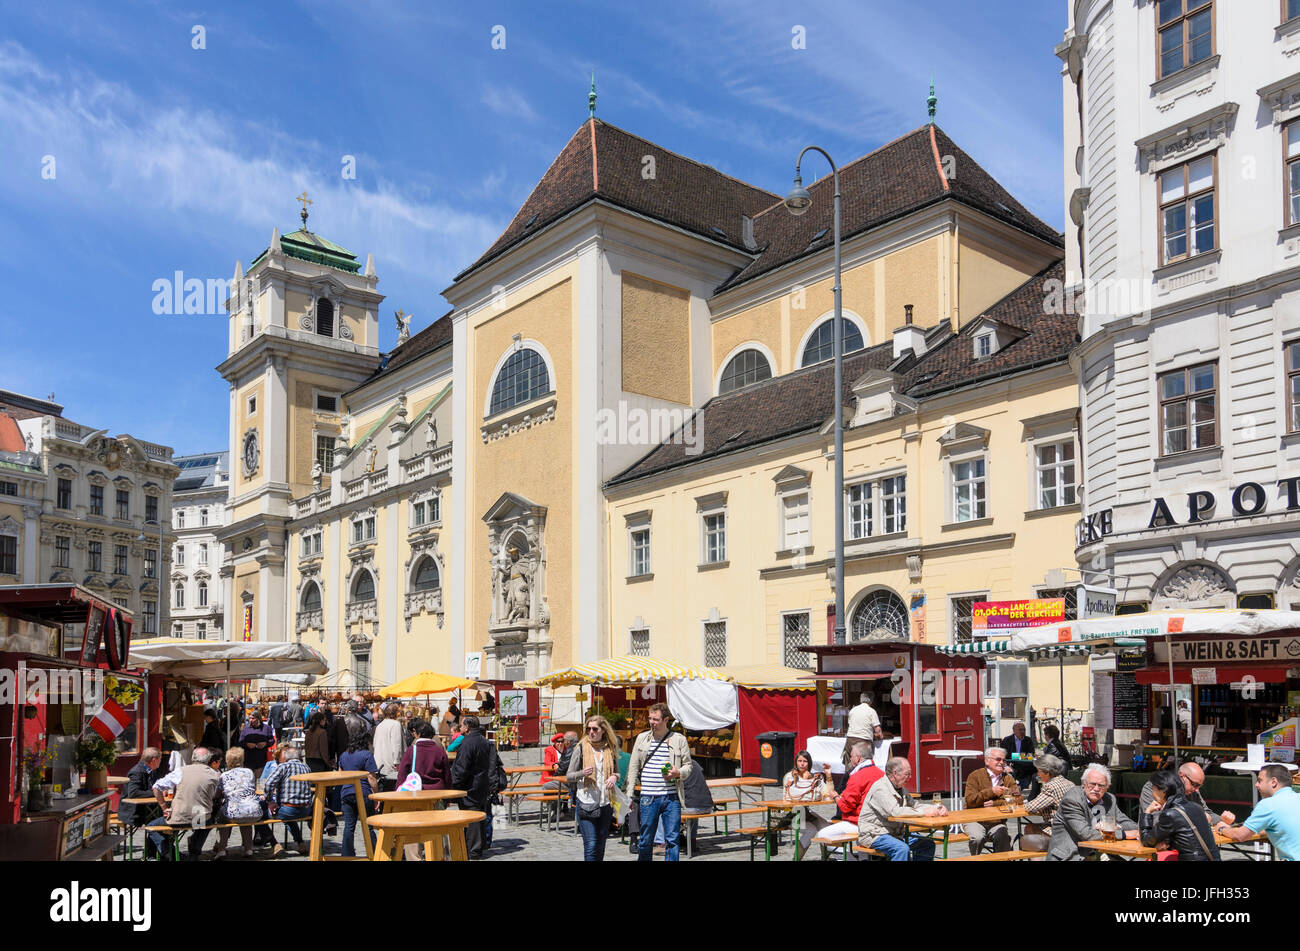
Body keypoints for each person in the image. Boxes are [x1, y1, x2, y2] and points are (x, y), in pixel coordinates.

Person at [625, 702, 695, 862]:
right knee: (646, 839)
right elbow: (633, 766)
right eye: (650, 718)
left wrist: (678, 773)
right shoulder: (642, 738)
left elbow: (688, 766)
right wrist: (629, 794)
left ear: (666, 720)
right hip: (648, 797)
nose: (651, 722)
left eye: (655, 719)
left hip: (672, 797)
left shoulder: (678, 739)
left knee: (672, 839)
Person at [1045, 763, 1138, 861]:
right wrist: (1123, 834)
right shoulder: (1072, 799)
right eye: (1092, 784)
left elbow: (1123, 821)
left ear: (1107, 787)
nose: (1096, 789)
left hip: (1099, 852)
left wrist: (1141, 832)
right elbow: (1086, 834)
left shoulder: (1109, 799)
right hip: (1072, 855)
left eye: (1101, 785)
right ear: (1083, 784)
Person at [858, 757, 945, 861]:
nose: (910, 777)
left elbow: (914, 805)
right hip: (874, 834)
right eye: (907, 774)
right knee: (901, 849)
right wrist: (924, 812)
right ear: (895, 773)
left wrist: (936, 808)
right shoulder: (880, 788)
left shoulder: (900, 788)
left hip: (895, 833)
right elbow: (894, 812)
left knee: (927, 844)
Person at [147, 747, 223, 860]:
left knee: (151, 827)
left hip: (179, 816)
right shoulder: (215, 775)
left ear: (193, 758)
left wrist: (164, 807)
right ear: (208, 760)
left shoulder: (180, 771)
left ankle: (170, 854)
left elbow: (156, 786)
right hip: (200, 817)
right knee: (206, 820)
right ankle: (194, 853)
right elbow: (218, 794)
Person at [1218, 763, 1300, 859]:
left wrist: (1222, 828)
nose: (1256, 785)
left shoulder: (1268, 804)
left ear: (1274, 782)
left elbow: (1241, 836)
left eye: (1260, 781)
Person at [568, 715, 621, 861]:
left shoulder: (609, 749)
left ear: (603, 730)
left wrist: (614, 777)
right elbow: (569, 776)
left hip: (605, 803)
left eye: (595, 729)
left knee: (601, 845)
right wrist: (581, 773)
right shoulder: (580, 748)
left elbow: (617, 773)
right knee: (591, 845)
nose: (591, 732)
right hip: (586, 802)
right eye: (588, 729)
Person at [1139, 769, 1220, 861]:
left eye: (1153, 789)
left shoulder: (1170, 814)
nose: (1153, 794)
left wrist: (1147, 813)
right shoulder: (1197, 808)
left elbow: (1146, 841)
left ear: (1163, 791)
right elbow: (1183, 837)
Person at [816, 741, 885, 847]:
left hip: (858, 823)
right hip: (879, 822)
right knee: (860, 845)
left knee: (822, 835)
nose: (851, 759)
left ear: (858, 758)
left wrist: (835, 796)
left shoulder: (857, 776)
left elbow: (846, 807)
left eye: (851, 756)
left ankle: (848, 857)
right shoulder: (882, 774)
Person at [1138, 761, 1233, 829]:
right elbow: (1155, 820)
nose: (1197, 789)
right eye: (1195, 784)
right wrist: (1197, 817)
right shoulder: (1154, 787)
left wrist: (1222, 819)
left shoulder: (1193, 790)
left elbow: (1206, 813)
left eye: (1200, 786)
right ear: (1182, 776)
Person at [450, 715, 494, 859]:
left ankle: (473, 850)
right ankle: (478, 846)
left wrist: (454, 784)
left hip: (470, 786)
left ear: (467, 727)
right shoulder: (483, 740)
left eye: (462, 725)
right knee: (479, 815)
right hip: (481, 784)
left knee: (472, 816)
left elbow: (462, 768)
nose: (460, 727)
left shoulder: (468, 742)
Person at [963, 746, 1018, 853]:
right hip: (975, 819)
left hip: (996, 821)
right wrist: (991, 791)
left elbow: (1018, 799)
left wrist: (995, 803)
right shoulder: (975, 776)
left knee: (1003, 836)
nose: (1001, 762)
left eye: (1003, 760)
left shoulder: (1007, 778)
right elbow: (970, 800)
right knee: (977, 838)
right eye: (998, 759)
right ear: (987, 761)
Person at [783, 750, 837, 859]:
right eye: (799, 761)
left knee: (826, 829)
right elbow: (794, 796)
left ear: (809, 763)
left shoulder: (816, 778)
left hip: (807, 813)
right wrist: (808, 783)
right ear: (796, 762)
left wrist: (828, 775)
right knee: (811, 830)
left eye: (805, 761)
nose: (802, 764)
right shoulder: (790, 777)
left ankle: (825, 858)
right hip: (791, 813)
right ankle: (796, 859)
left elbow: (828, 794)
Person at [338, 720, 379, 857]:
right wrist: (376, 795)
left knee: (349, 826)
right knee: (368, 825)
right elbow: (371, 778)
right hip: (363, 792)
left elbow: (340, 775)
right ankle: (375, 852)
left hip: (346, 792)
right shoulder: (367, 755)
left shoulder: (344, 755)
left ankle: (347, 853)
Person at [213, 747, 262, 858]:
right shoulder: (249, 772)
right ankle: (249, 849)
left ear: (228, 761)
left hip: (234, 812)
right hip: (254, 811)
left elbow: (217, 794)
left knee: (222, 819)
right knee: (245, 818)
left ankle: (221, 849)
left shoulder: (224, 775)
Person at [262, 747, 313, 855]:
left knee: (258, 816)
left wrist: (270, 802)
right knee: (288, 816)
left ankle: (275, 844)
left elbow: (268, 784)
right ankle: (300, 842)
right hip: (305, 810)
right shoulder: (306, 767)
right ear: (299, 757)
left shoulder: (283, 766)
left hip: (288, 810)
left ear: (286, 757)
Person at [119, 747, 167, 857]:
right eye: (160, 759)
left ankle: (155, 854)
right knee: (157, 823)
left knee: (164, 820)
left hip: (149, 809)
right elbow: (134, 793)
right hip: (134, 812)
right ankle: (159, 854)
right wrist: (156, 793)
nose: (161, 761)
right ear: (154, 760)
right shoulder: (136, 772)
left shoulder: (151, 770)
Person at [1021, 754, 1072, 851]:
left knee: (1029, 829)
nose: (1038, 774)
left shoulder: (1051, 787)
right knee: (1031, 826)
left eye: (1039, 771)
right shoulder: (1069, 783)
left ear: (1047, 773)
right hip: (1071, 828)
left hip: (1059, 831)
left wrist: (1023, 804)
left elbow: (1031, 807)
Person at [303, 710, 337, 836]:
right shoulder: (322, 732)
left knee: (314, 789)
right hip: (320, 763)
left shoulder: (308, 733)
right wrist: (329, 764)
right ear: (321, 721)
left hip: (310, 761)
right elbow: (323, 751)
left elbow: (306, 749)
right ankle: (325, 815)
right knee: (325, 791)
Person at [396, 718, 452, 789]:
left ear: (419, 734)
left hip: (417, 791)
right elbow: (447, 775)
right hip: (438, 792)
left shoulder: (411, 751)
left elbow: (402, 774)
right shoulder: (440, 751)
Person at [842, 692, 882, 768]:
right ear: (871, 701)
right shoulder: (871, 711)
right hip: (863, 741)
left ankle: (849, 779)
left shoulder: (853, 710)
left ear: (860, 700)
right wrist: (880, 736)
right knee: (864, 765)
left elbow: (850, 724)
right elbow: (878, 730)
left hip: (850, 740)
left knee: (850, 765)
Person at [373, 702, 405, 793]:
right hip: (391, 765)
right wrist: (397, 762)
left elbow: (375, 744)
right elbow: (397, 745)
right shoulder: (395, 724)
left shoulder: (380, 725)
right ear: (395, 713)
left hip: (379, 764)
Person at [1001, 722, 1036, 793]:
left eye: (1024, 730)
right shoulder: (1007, 740)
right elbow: (1004, 754)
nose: (1022, 732)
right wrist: (1020, 756)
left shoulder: (1028, 740)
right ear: (1014, 730)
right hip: (1012, 765)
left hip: (1025, 767)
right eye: (1020, 730)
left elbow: (1031, 755)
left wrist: (1015, 756)